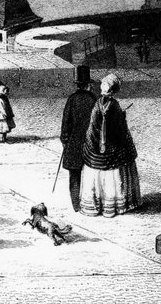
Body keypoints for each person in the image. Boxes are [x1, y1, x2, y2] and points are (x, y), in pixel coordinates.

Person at [79, 73, 140, 217]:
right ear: (114, 90)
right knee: (115, 174)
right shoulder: (115, 105)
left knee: (95, 174)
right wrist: (122, 117)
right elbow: (118, 129)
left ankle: (96, 206)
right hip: (113, 150)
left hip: (97, 150)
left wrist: (92, 143)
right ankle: (111, 206)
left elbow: (93, 126)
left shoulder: (97, 104)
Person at [59, 65, 98, 212]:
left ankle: (76, 205)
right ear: (88, 85)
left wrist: (64, 141)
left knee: (74, 177)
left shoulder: (72, 99)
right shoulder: (94, 100)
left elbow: (65, 123)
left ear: (78, 84)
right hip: (90, 144)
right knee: (91, 176)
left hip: (74, 144)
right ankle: (91, 205)